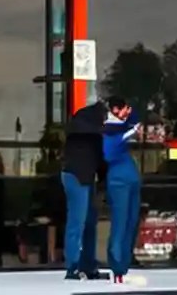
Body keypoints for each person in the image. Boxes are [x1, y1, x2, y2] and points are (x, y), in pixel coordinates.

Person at [61, 100, 107, 280]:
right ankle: (75, 267)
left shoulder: (76, 131)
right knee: (80, 222)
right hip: (80, 178)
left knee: (85, 222)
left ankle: (83, 266)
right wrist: (105, 181)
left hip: (77, 176)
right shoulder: (95, 135)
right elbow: (101, 161)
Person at [102, 96, 142, 284]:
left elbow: (136, 116)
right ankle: (117, 266)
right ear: (116, 110)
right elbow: (109, 152)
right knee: (120, 222)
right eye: (125, 109)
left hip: (130, 179)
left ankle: (123, 265)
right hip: (119, 181)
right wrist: (129, 132)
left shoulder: (121, 126)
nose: (128, 112)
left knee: (131, 222)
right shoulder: (109, 129)